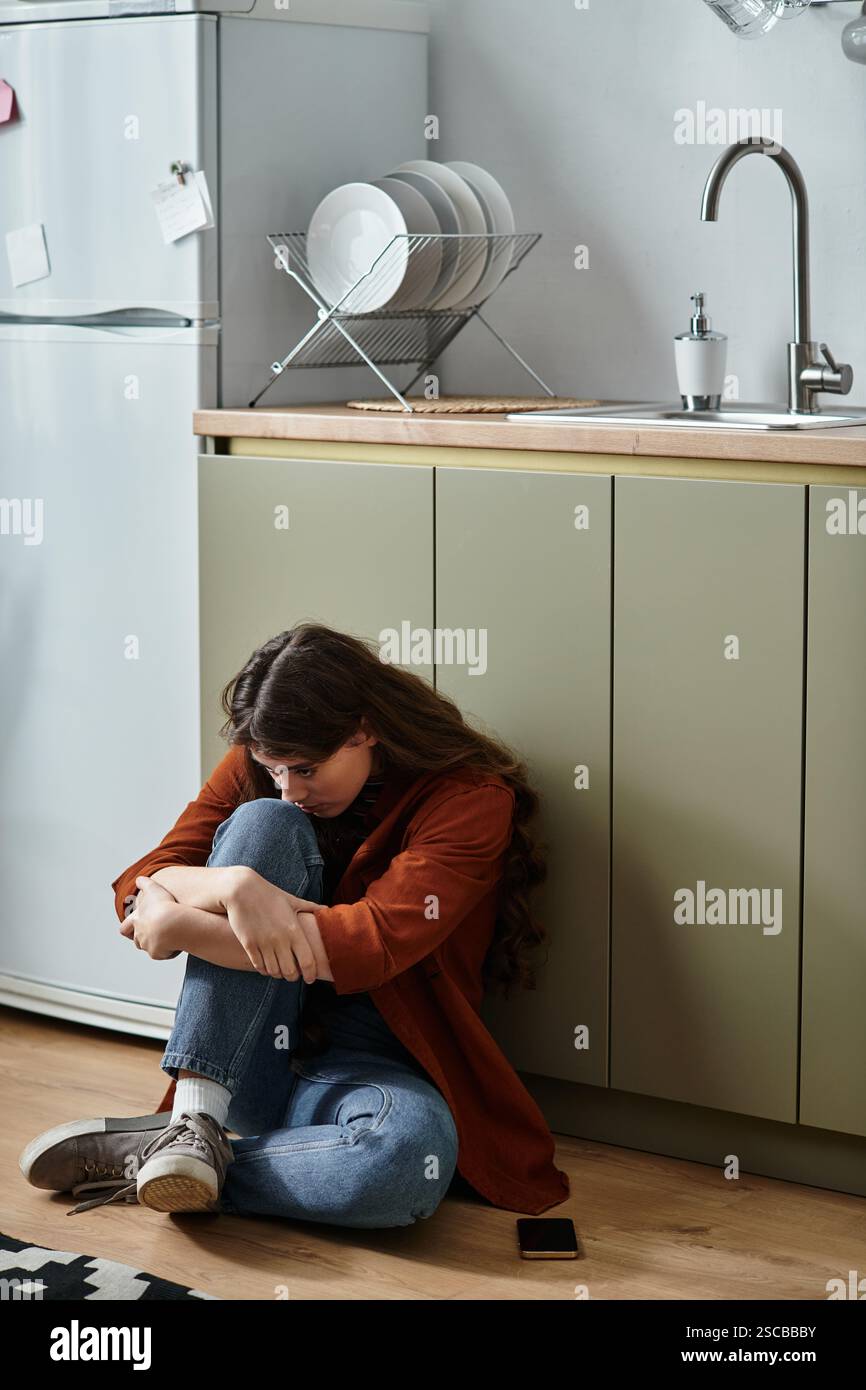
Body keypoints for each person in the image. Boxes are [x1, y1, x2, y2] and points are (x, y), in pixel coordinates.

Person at [19, 623, 570, 1227]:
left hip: (368, 1073)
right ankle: (196, 1120)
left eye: (306, 769)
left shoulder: (468, 799)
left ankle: (171, 1159)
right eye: (273, 768)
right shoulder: (269, 768)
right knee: (265, 827)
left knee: (406, 1163)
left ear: (365, 727)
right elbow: (141, 880)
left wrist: (182, 926)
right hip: (245, 1060)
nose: (289, 789)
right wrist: (231, 884)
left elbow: (369, 944)